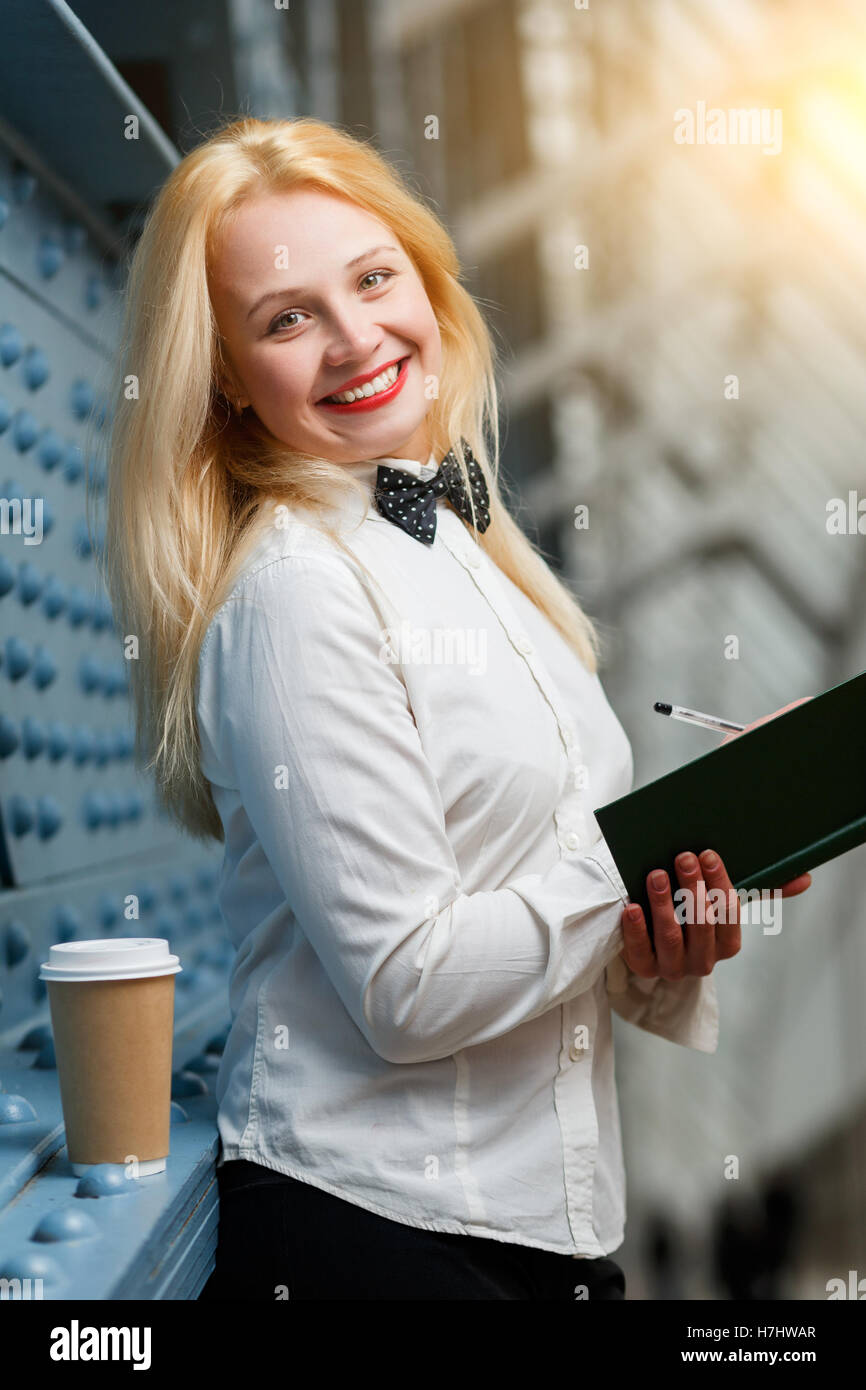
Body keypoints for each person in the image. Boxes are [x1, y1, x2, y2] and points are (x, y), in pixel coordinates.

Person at [101, 115, 812, 1301]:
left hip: (542, 1233)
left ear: (425, 281)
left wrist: (664, 926)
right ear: (223, 372)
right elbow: (410, 985)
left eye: (373, 279)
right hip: (377, 1238)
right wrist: (633, 851)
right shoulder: (294, 595)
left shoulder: (478, 555)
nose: (354, 337)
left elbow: (535, 896)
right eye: (286, 318)